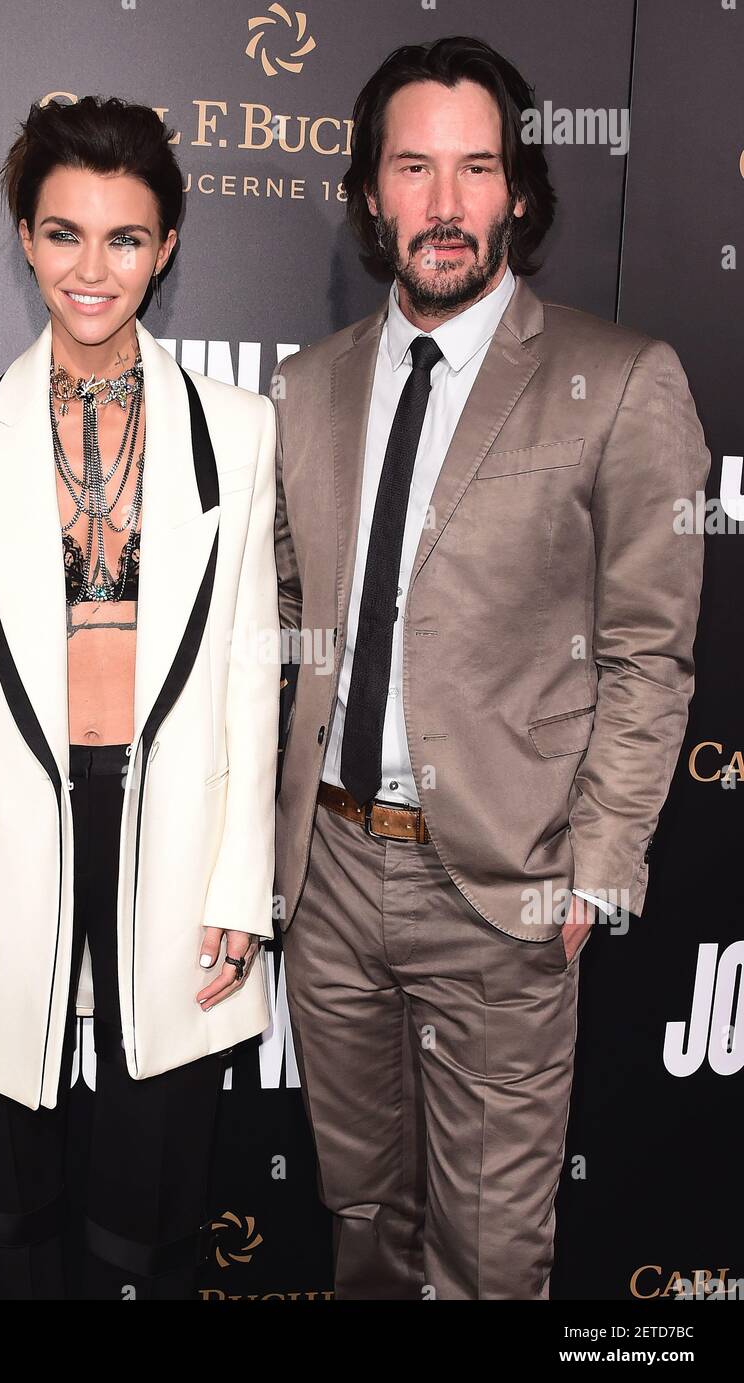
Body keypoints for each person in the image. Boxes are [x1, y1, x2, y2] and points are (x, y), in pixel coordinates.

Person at [271, 37, 711, 1299]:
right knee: (361, 1224)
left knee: (487, 1256)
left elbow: (647, 651)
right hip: (333, 875)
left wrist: (599, 861)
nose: (447, 203)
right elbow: (292, 606)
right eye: (414, 167)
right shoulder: (309, 387)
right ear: (369, 191)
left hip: (505, 888)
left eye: (478, 168)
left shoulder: (621, 383)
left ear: (519, 189)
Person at [0, 95, 280, 1300]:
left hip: (168, 843)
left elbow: (247, 669)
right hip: (5, 847)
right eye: (64, 234)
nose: (92, 268)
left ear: (165, 248)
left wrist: (236, 883)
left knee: (145, 1232)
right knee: (8, 1226)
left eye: (124, 238)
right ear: (24, 237)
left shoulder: (238, 427)